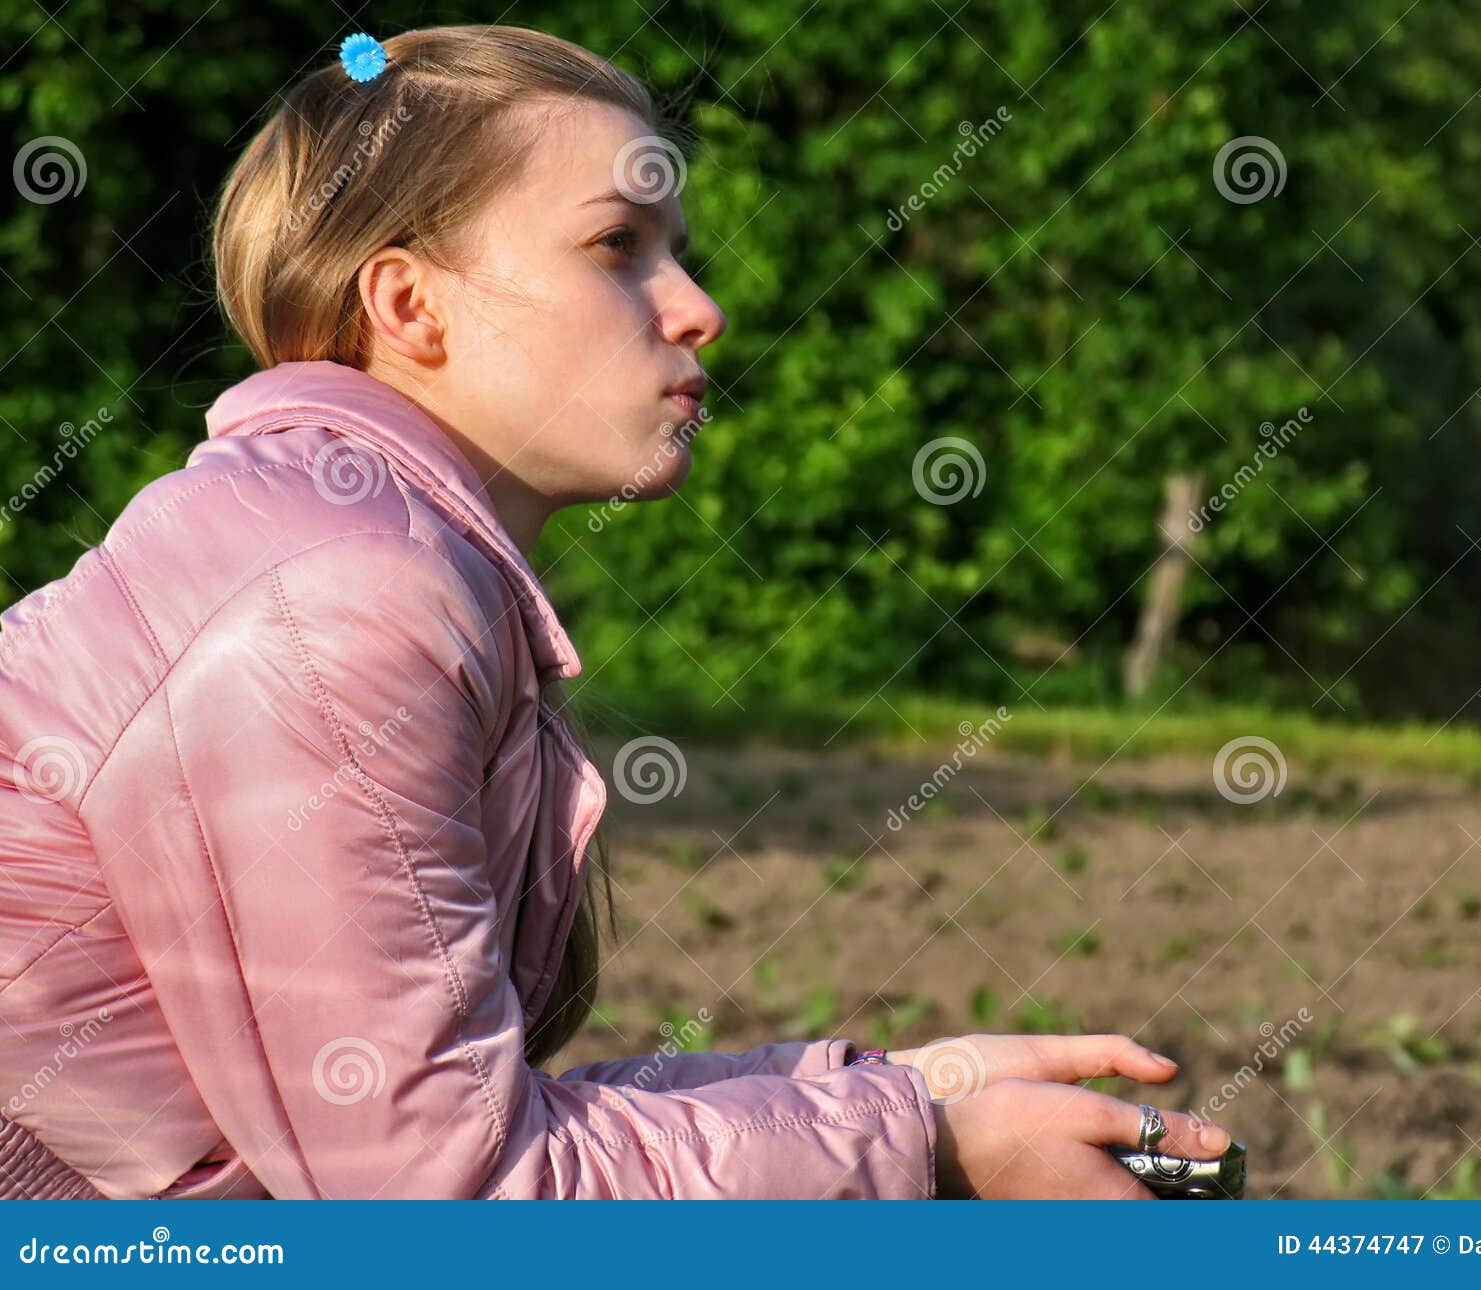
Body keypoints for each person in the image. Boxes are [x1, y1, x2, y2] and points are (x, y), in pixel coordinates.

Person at [0, 24, 1231, 1199]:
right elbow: (441, 1203)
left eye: (676, 249)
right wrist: (923, 1146)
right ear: (409, 305)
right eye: (616, 247)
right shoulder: (332, 603)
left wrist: (915, 1095)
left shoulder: (352, 553)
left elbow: (437, 1147)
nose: (700, 307)